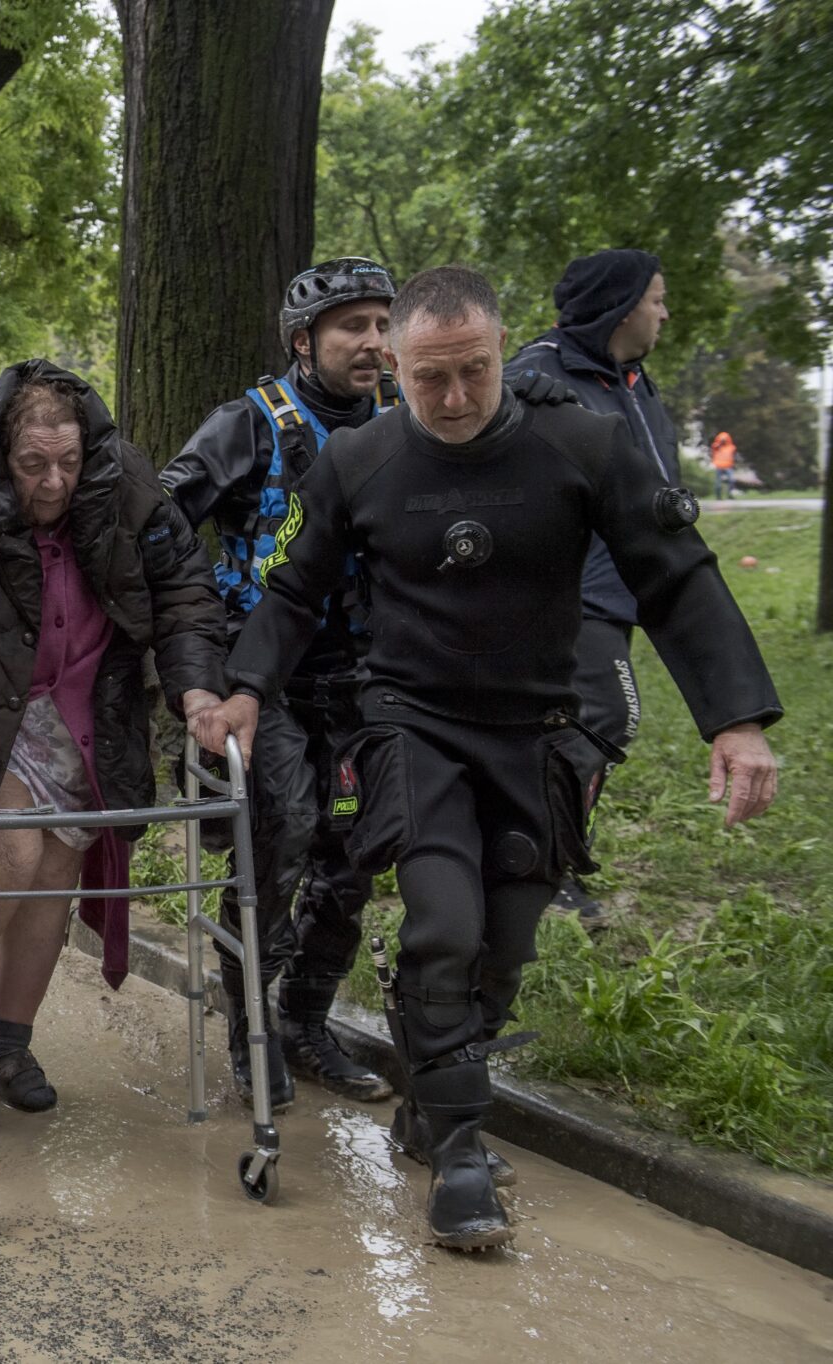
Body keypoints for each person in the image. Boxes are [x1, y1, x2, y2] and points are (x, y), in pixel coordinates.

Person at [192, 265, 781, 1251]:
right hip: (406, 723)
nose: (454, 398)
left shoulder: (580, 443)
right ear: (397, 368)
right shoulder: (356, 461)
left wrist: (734, 717)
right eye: (430, 379)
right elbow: (290, 589)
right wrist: (246, 687)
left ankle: (429, 1102)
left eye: (472, 371)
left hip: (535, 726)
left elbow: (671, 576)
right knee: (440, 924)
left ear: (502, 349)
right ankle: (460, 1150)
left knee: (505, 940)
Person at [0, 362, 225, 1114]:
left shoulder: (123, 481)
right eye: (34, 465)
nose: (55, 482)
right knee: (16, 850)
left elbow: (184, 585)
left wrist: (197, 688)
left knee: (58, 867)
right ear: (3, 452)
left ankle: (5, 1041)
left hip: (88, 710)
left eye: (68, 462)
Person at [160, 257, 403, 1107]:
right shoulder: (251, 423)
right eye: (354, 328)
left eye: (384, 325)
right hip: (259, 676)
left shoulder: (406, 421)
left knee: (363, 846)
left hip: (364, 671)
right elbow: (162, 521)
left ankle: (305, 1017)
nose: (374, 343)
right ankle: (247, 1025)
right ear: (305, 341)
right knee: (284, 833)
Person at [504, 249, 676, 919]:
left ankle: (534, 852)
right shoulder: (536, 372)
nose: (665, 311)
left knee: (570, 725)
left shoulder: (631, 380)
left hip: (621, 588)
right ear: (622, 306)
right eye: (657, 298)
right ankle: (549, 864)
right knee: (608, 717)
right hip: (570, 593)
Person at [710, 430, 737, 500]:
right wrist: (720, 443)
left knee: (731, 480)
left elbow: (733, 453)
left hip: (728, 466)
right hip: (719, 466)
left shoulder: (731, 447)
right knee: (718, 483)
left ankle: (730, 495)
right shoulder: (716, 446)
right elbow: (715, 446)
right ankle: (718, 497)